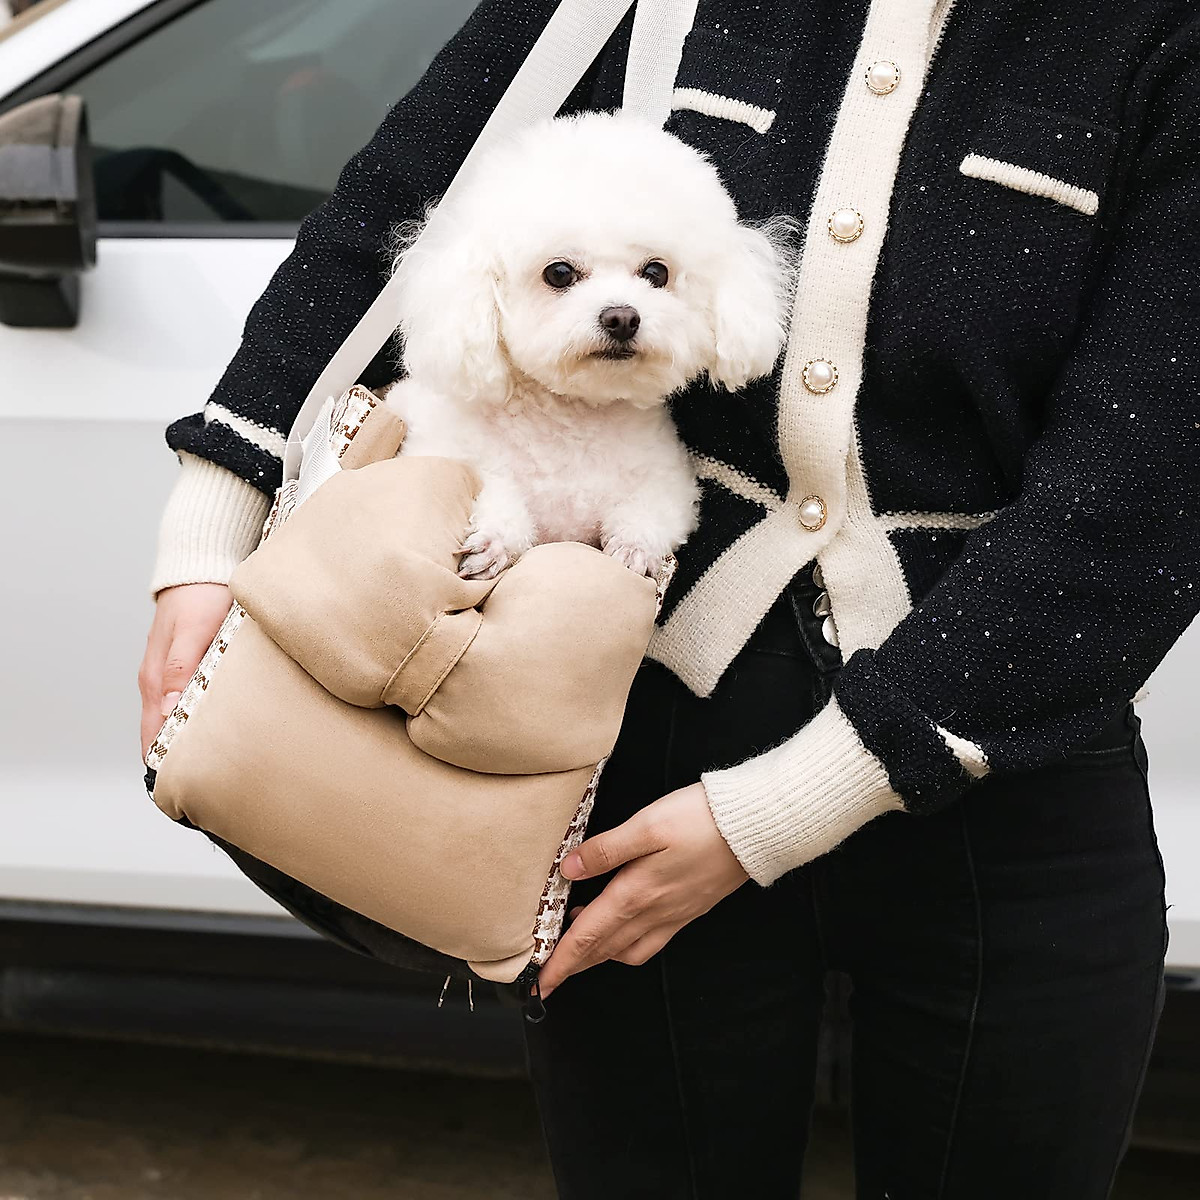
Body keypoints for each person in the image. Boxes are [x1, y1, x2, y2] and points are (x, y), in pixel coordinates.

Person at [138, 1, 1198, 1195]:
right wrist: (211, 525)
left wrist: (778, 812)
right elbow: (392, 208)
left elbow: (1151, 479)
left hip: (1008, 754)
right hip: (643, 745)